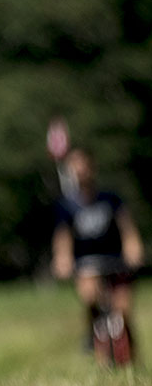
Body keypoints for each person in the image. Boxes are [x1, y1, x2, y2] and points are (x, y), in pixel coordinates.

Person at [52, 147, 145, 362]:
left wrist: (134, 249)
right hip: (86, 262)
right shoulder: (66, 205)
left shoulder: (110, 198)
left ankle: (129, 353)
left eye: (83, 165)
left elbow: (127, 229)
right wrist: (62, 260)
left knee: (123, 308)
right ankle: (93, 333)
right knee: (89, 294)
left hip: (115, 259)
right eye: (75, 166)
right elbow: (63, 237)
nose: (81, 171)